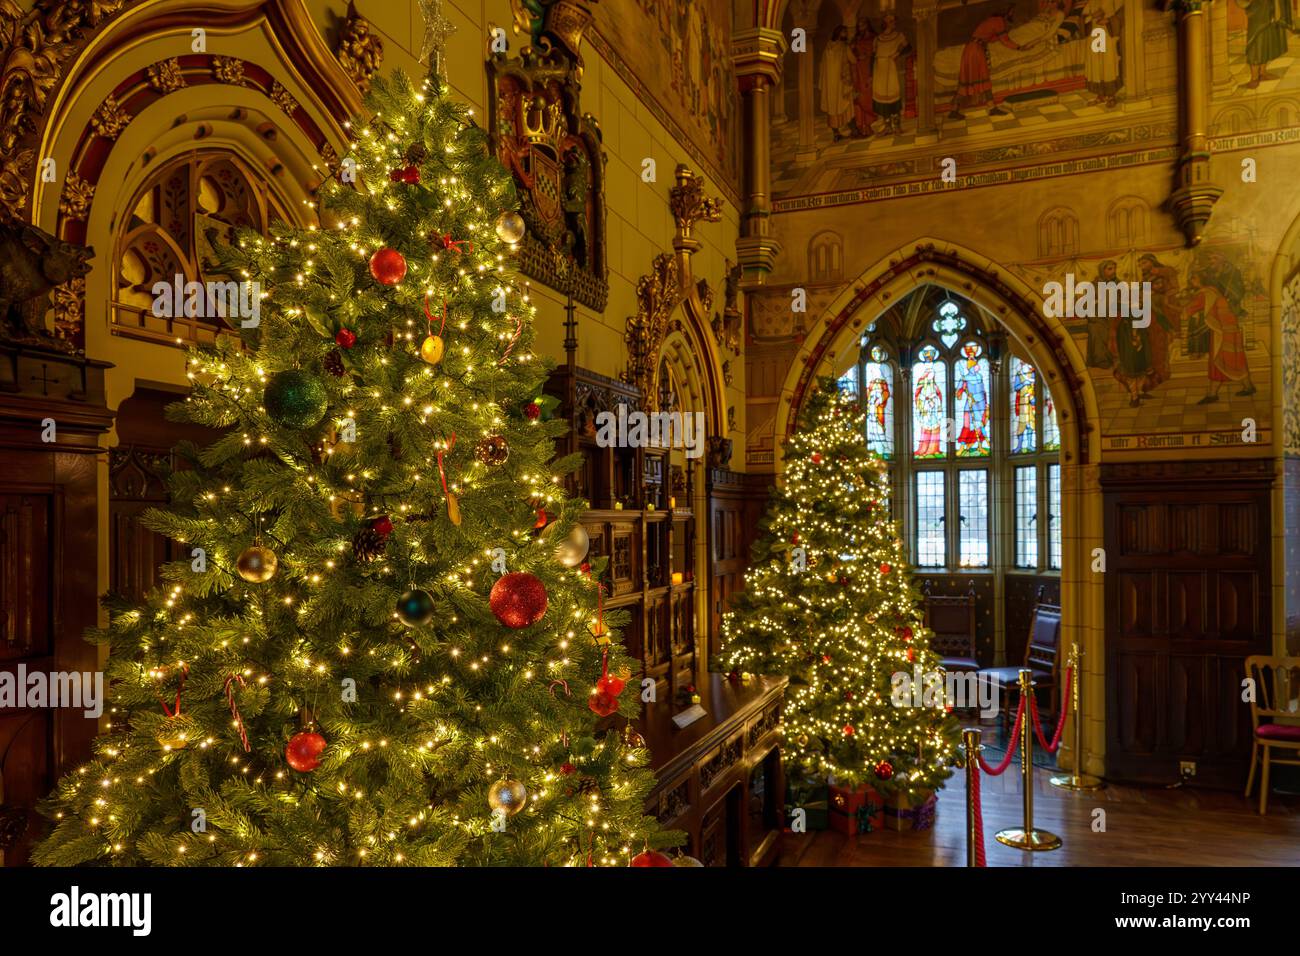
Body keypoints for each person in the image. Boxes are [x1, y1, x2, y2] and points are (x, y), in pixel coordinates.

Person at [1183, 269, 1256, 403]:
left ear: (1202, 280)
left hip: (1221, 331)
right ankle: (1247, 386)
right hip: (1228, 328)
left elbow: (1188, 311)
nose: (1191, 281)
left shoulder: (1206, 294)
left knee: (1219, 359)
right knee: (1233, 358)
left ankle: (1213, 394)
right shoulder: (1214, 291)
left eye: (1194, 278)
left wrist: (1171, 306)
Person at [948, 6, 1022, 119]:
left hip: (971, 49)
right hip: (976, 51)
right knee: (981, 78)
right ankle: (991, 108)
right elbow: (1005, 40)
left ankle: (955, 110)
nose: (1012, 14)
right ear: (1007, 11)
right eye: (1012, 11)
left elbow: (992, 38)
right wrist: (1018, 47)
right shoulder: (998, 21)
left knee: (967, 80)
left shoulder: (992, 21)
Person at [1237, 0, 1293, 89]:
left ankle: (1262, 73)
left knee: (1268, 39)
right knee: (1256, 41)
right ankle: (1254, 77)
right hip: (1258, 9)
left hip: (1271, 8)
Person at [872, 14, 912, 134]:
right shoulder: (877, 39)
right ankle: (887, 126)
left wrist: (898, 53)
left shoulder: (899, 36)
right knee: (882, 99)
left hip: (891, 67)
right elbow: (873, 56)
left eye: (894, 21)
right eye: (891, 21)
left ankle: (897, 126)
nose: (894, 23)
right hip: (879, 69)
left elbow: (908, 47)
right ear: (886, 23)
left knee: (893, 97)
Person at [1082, 0, 1122, 106]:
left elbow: (1117, 14)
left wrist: (1108, 19)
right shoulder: (1091, 3)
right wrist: (1092, 16)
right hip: (1094, 34)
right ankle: (1100, 96)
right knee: (1096, 64)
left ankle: (1111, 96)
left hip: (1106, 34)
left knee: (1107, 63)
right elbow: (1084, 17)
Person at [820, 25, 856, 140]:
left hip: (831, 83)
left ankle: (837, 133)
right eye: (844, 32)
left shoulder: (828, 47)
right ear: (839, 33)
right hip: (841, 81)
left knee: (833, 105)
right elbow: (853, 60)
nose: (846, 34)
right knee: (843, 103)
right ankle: (846, 131)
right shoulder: (844, 47)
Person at [1085, 260, 1117, 368]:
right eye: (1110, 269)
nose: (1113, 271)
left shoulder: (1116, 284)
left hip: (1112, 317)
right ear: (1102, 271)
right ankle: (1101, 360)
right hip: (1097, 318)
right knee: (1098, 332)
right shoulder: (1093, 285)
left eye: (1114, 268)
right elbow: (1086, 304)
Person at [850, 15, 877, 136]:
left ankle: (869, 125)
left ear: (867, 25)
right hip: (857, 71)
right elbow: (850, 54)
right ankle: (861, 127)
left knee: (867, 98)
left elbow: (874, 54)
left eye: (863, 24)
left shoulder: (873, 37)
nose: (861, 27)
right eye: (859, 25)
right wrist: (856, 56)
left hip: (868, 70)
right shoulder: (855, 39)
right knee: (858, 98)